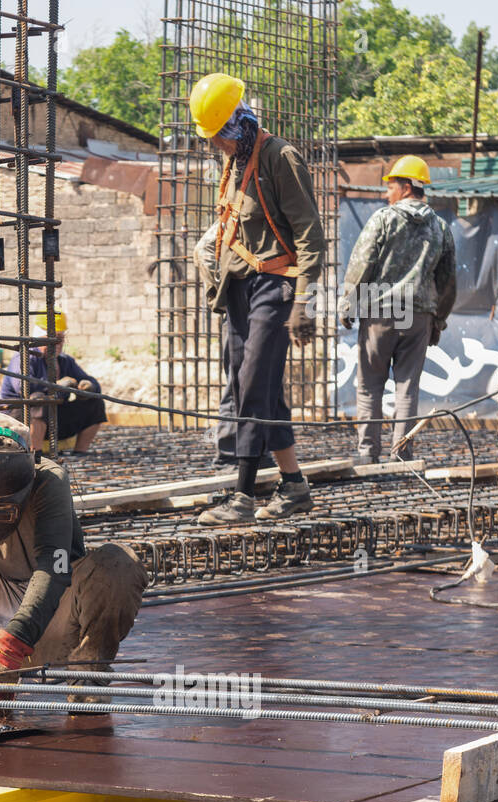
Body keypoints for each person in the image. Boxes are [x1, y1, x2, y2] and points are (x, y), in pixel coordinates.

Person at [0, 410, 148, 702]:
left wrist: (15, 640)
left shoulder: (48, 482)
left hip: (53, 621)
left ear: (30, 469)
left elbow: (54, 567)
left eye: (3, 482)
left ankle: (87, 678)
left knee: (117, 563)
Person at [189, 73, 325, 525]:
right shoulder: (235, 163)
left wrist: (302, 303)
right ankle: (294, 487)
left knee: (250, 388)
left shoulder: (278, 157)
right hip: (243, 293)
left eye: (218, 137)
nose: (214, 146)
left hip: (275, 289)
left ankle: (242, 497)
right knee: (261, 389)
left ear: (237, 126)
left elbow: (310, 236)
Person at [339, 155, 456, 462]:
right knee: (407, 388)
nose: (386, 193)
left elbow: (362, 264)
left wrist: (348, 303)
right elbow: (447, 282)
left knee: (369, 386)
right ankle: (401, 456)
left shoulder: (383, 219)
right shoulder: (441, 227)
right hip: (419, 318)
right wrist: (437, 322)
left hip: (380, 313)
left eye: (390, 186)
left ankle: (367, 454)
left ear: (406, 188)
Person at [0, 311, 106, 454]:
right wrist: (57, 386)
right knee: (39, 399)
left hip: (51, 418)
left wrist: (89, 387)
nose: (56, 344)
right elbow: (24, 388)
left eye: (60, 339)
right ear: (39, 339)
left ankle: (81, 452)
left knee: (95, 403)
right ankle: (35, 455)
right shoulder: (25, 356)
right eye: (51, 339)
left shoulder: (65, 361)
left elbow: (93, 385)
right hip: (17, 419)